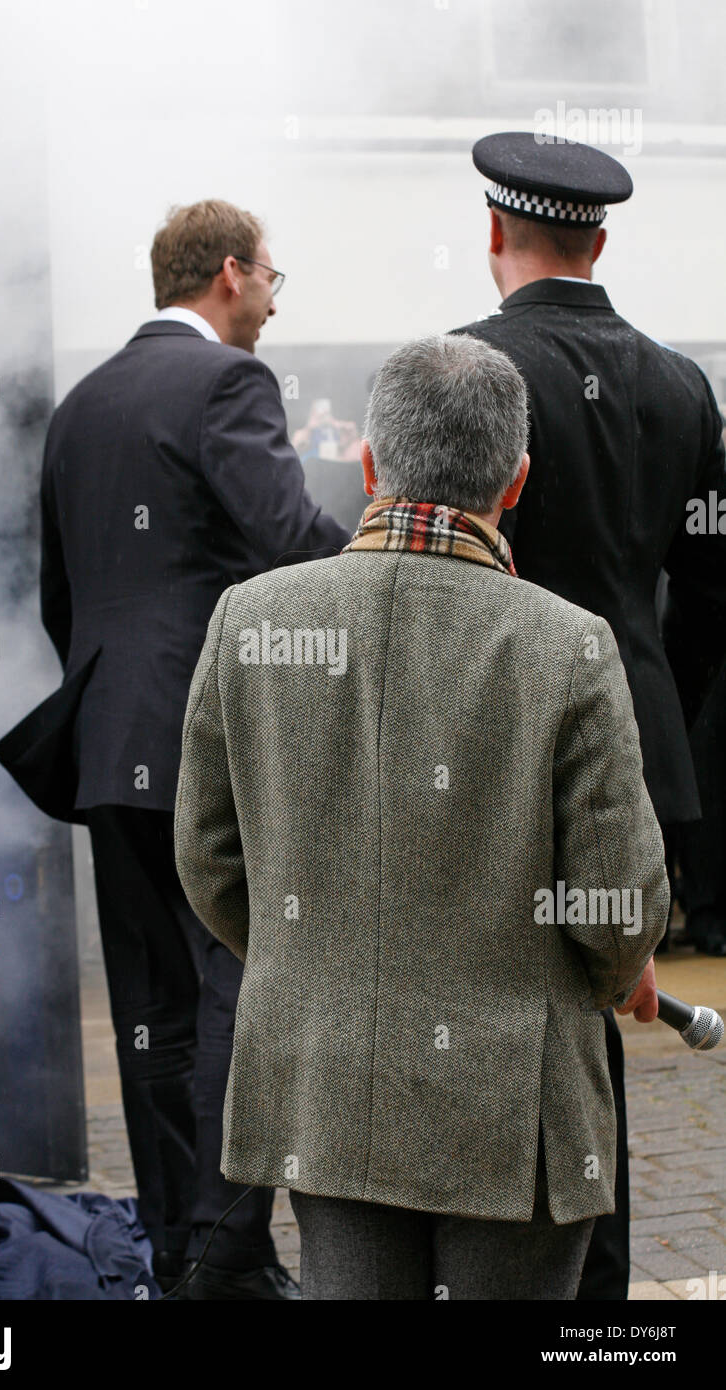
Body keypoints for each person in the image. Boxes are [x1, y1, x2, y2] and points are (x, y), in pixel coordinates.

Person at [174, 333, 669, 1301]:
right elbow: (615, 909)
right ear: (516, 480)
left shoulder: (250, 619)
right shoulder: (567, 646)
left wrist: (316, 961)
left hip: (327, 1088)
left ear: (366, 465)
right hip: (513, 1110)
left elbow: (209, 859)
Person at [30, 199, 349, 1298]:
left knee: (150, 1010)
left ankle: (176, 1246)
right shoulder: (228, 383)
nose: (273, 297)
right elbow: (290, 538)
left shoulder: (80, 404)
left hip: (105, 734)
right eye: (271, 276)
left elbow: (57, 596)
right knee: (235, 991)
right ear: (226, 273)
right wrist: (377, 553)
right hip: (204, 741)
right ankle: (228, 1252)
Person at [451, 131, 726, 1298]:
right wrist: (658, 717)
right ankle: (592, 1293)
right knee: (589, 1018)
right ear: (599, 240)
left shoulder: (464, 370)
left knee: (494, 1013)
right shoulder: (680, 383)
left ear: (493, 234)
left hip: (494, 743)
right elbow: (708, 595)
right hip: (640, 740)